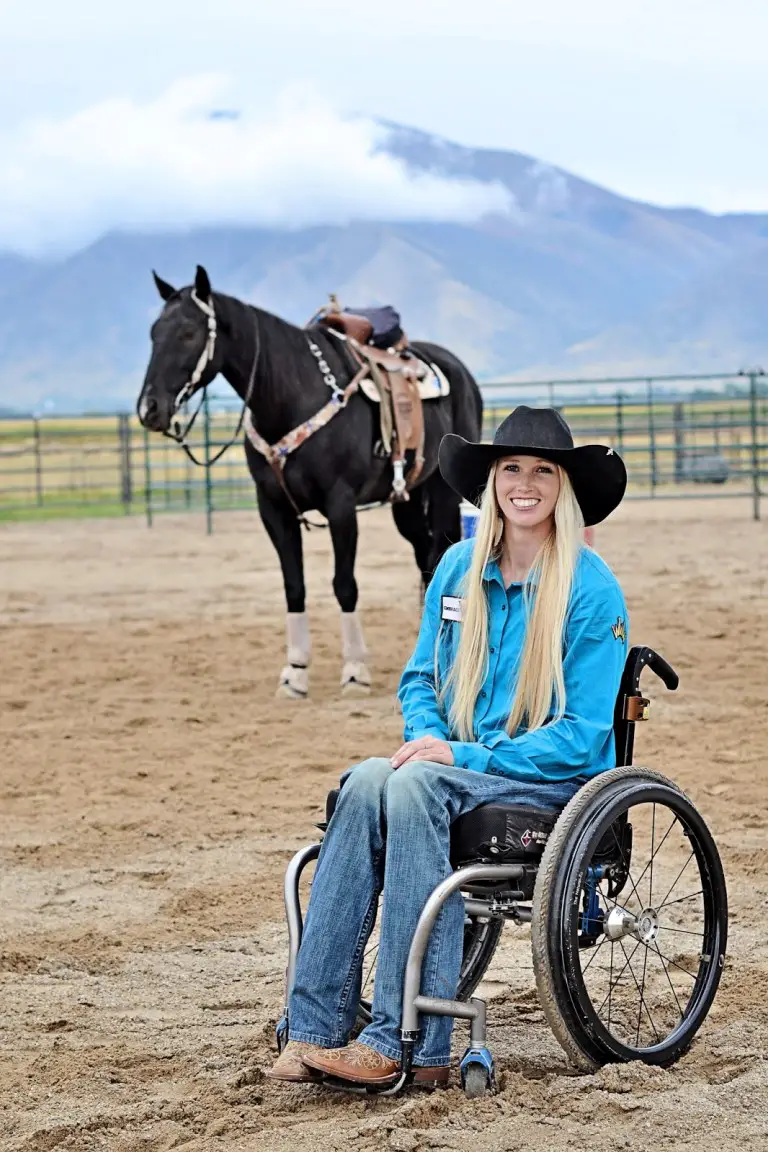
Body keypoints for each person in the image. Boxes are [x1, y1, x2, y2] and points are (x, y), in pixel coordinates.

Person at [267, 405, 629, 1087]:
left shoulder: (590, 588)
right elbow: (419, 679)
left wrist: (462, 759)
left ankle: (411, 1042)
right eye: (510, 469)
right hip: (456, 769)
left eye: (542, 472)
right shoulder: (459, 568)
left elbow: (582, 737)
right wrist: (429, 735)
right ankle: (313, 1027)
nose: (525, 484)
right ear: (491, 483)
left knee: (412, 784)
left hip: (547, 782)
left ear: (563, 487)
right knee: (367, 779)